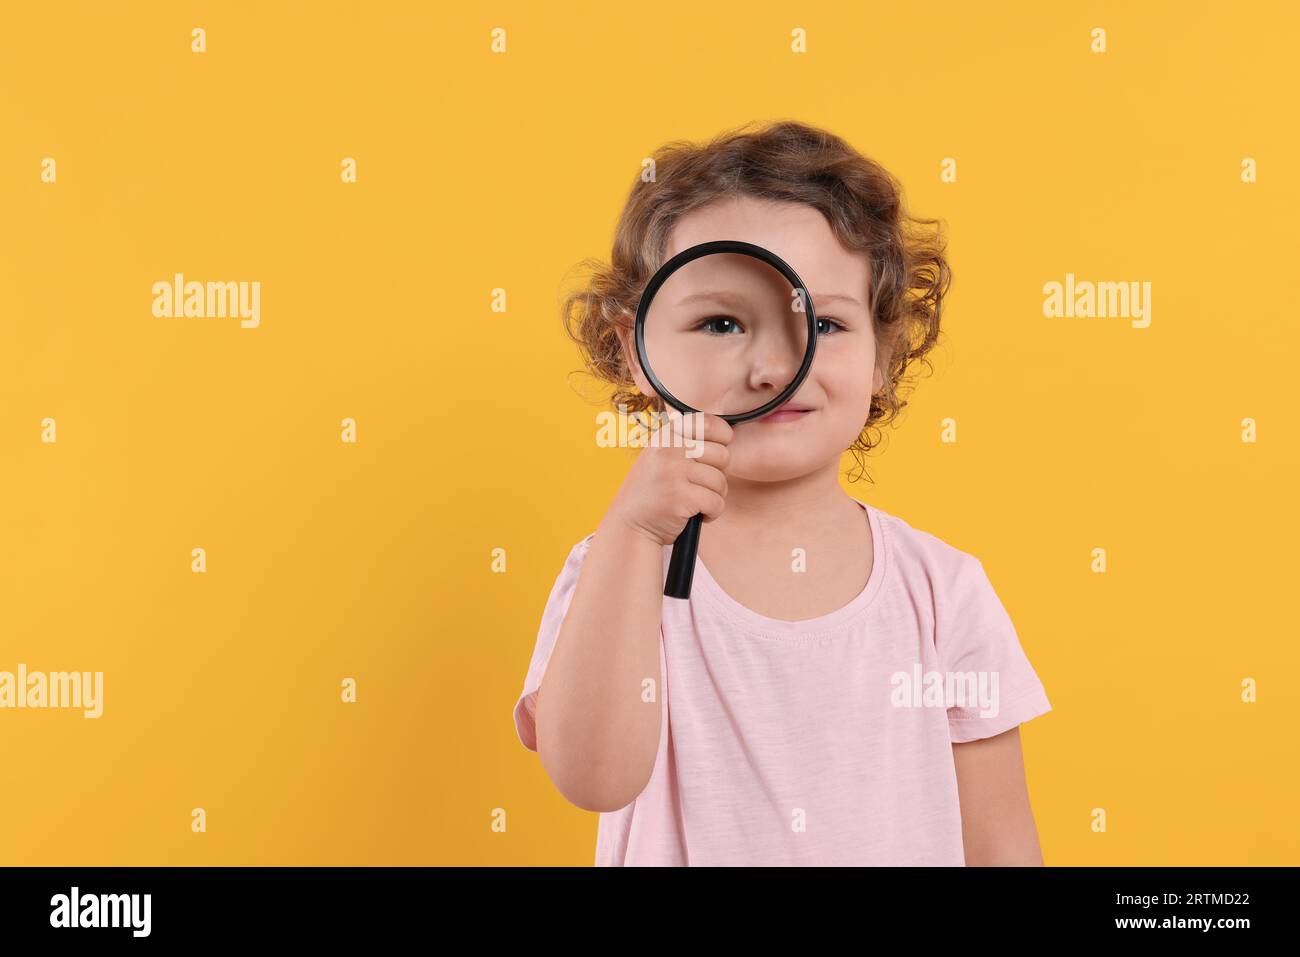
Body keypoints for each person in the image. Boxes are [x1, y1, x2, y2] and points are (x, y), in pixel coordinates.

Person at [512, 119, 1052, 866]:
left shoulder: (943, 591)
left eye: (823, 322)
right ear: (639, 353)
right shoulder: (618, 568)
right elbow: (593, 778)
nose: (772, 366)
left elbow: (999, 841)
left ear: (883, 356)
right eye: (722, 321)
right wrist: (634, 535)